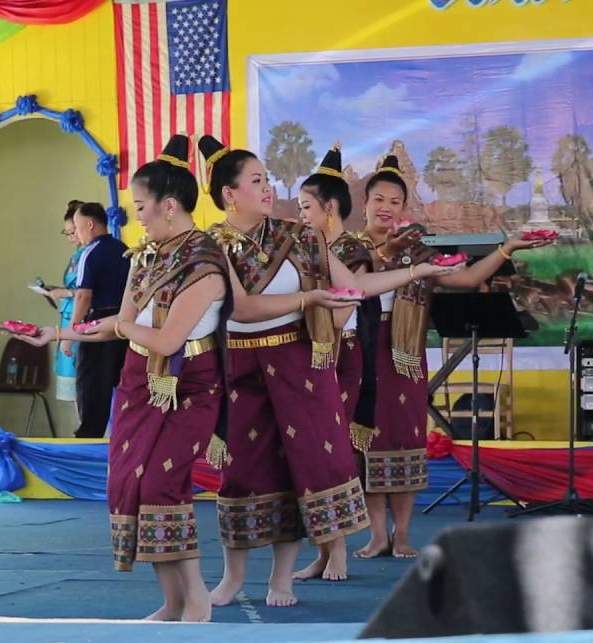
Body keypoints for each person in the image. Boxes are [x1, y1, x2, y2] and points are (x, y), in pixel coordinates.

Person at [196, 135, 453, 603]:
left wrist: (418, 273)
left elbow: (354, 285)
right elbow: (244, 307)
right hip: (242, 368)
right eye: (256, 180)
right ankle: (231, 579)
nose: (269, 188)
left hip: (298, 366)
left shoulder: (298, 235)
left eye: (268, 179)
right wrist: (309, 298)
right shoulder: (211, 245)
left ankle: (280, 578)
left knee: (299, 470)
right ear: (229, 193)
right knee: (243, 473)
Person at [16, 136, 225, 622]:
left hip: (186, 385)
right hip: (138, 384)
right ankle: (173, 602)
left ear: (169, 206)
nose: (138, 217)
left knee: (161, 483)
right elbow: (117, 324)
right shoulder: (145, 259)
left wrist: (126, 327)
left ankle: (196, 600)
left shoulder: (206, 262)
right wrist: (57, 333)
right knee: (130, 484)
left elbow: (167, 340)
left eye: (142, 206)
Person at [355, 154, 551, 560]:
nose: (386, 208)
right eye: (379, 200)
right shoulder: (348, 248)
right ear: (365, 203)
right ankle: (377, 535)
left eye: (395, 201)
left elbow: (465, 279)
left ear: (404, 209)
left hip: (403, 351)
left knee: (405, 438)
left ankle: (403, 533)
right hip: (360, 349)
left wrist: (507, 248)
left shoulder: (417, 252)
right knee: (366, 441)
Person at [293, 144, 380, 581]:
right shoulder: (306, 250)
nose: (301, 215)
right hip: (310, 356)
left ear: (328, 208)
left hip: (341, 357)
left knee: (334, 453)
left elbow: (348, 307)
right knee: (311, 453)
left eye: (306, 207)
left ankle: (340, 548)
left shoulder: (354, 250)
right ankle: (324, 550)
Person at [69, 202, 130, 438]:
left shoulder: (90, 252)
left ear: (90, 224)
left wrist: (72, 332)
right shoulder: (124, 249)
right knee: (122, 384)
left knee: (91, 384)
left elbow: (84, 295)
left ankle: (88, 438)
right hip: (125, 323)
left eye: (77, 226)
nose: (76, 232)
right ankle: (124, 439)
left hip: (97, 323)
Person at [50, 200, 87, 403]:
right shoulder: (76, 255)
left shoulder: (88, 254)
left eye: (74, 231)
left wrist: (64, 293)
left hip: (78, 317)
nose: (72, 237)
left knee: (82, 385)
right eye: (67, 233)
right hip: (68, 315)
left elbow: (85, 292)